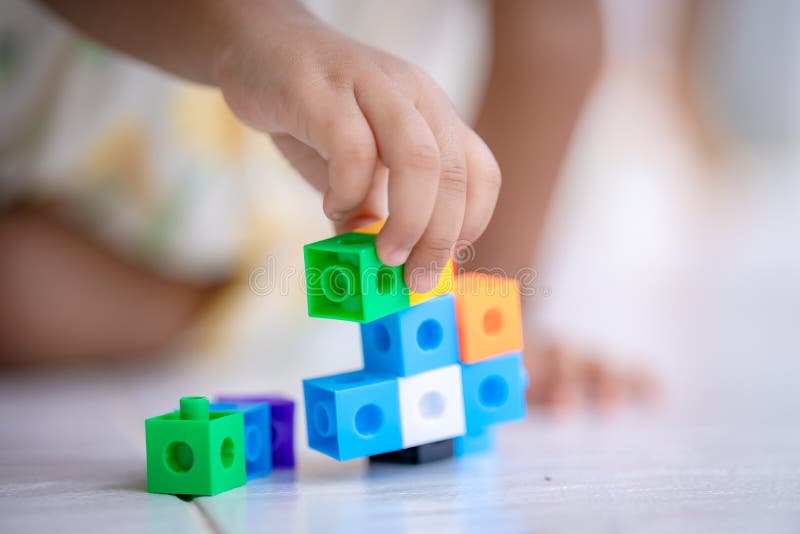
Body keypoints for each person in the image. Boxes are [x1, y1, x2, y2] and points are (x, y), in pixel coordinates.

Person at [0, 0, 651, 411]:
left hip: (299, 241)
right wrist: (253, 33)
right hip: (91, 141)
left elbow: (556, 30)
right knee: (19, 299)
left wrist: (484, 319)